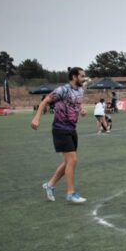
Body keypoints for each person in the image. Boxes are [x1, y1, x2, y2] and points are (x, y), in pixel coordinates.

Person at [31, 67, 88, 204]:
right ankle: (70, 193)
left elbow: (78, 103)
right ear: (74, 77)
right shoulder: (62, 90)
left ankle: (50, 185)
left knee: (69, 161)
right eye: (82, 76)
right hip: (60, 129)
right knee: (72, 159)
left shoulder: (80, 90)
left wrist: (82, 109)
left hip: (72, 129)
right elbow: (45, 101)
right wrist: (36, 118)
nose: (84, 78)